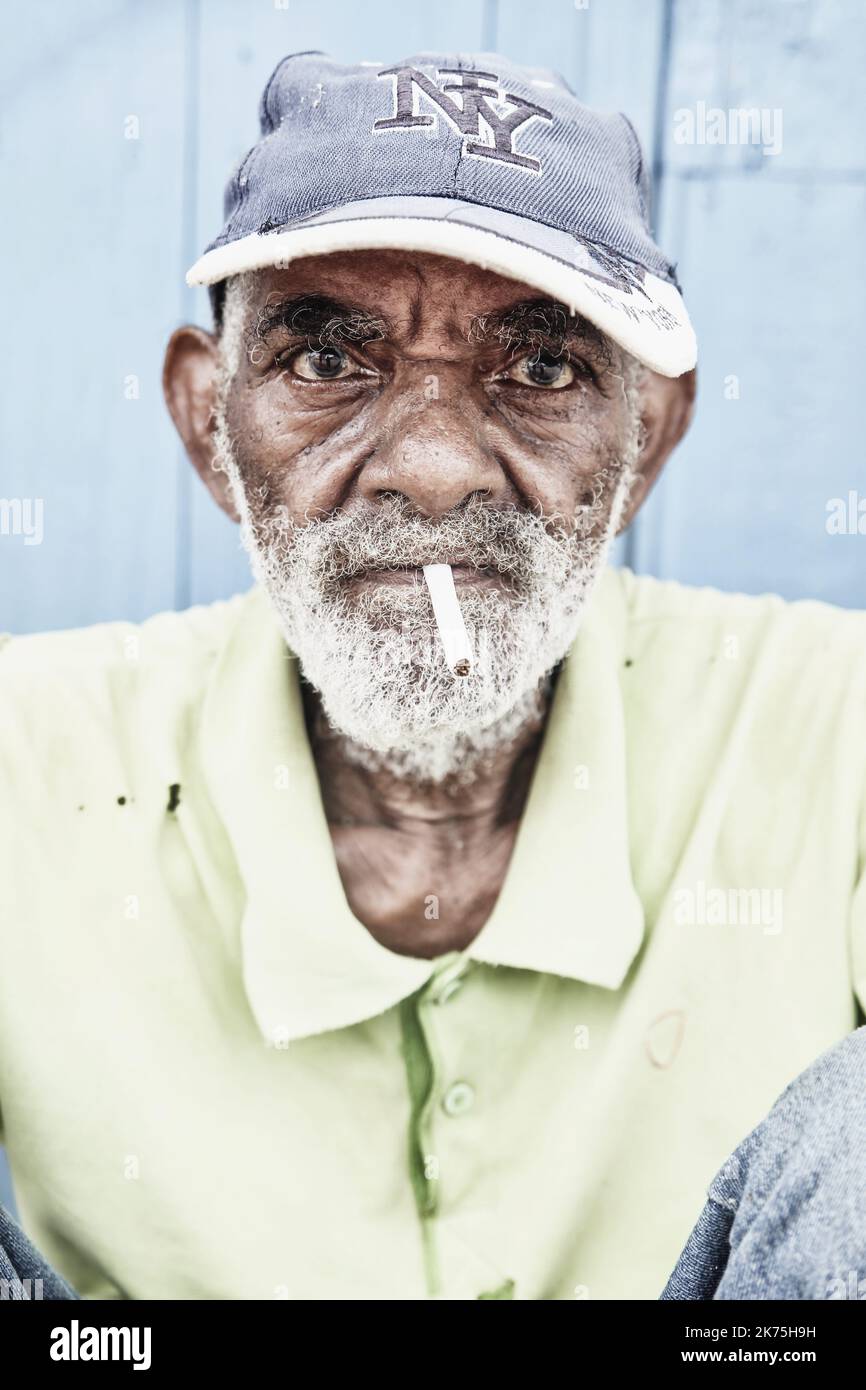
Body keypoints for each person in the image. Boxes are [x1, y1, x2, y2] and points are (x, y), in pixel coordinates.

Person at [1, 51, 864, 1302]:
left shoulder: (832, 726)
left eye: (543, 369)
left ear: (644, 442)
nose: (435, 467)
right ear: (208, 428)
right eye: (325, 363)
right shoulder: (27, 756)